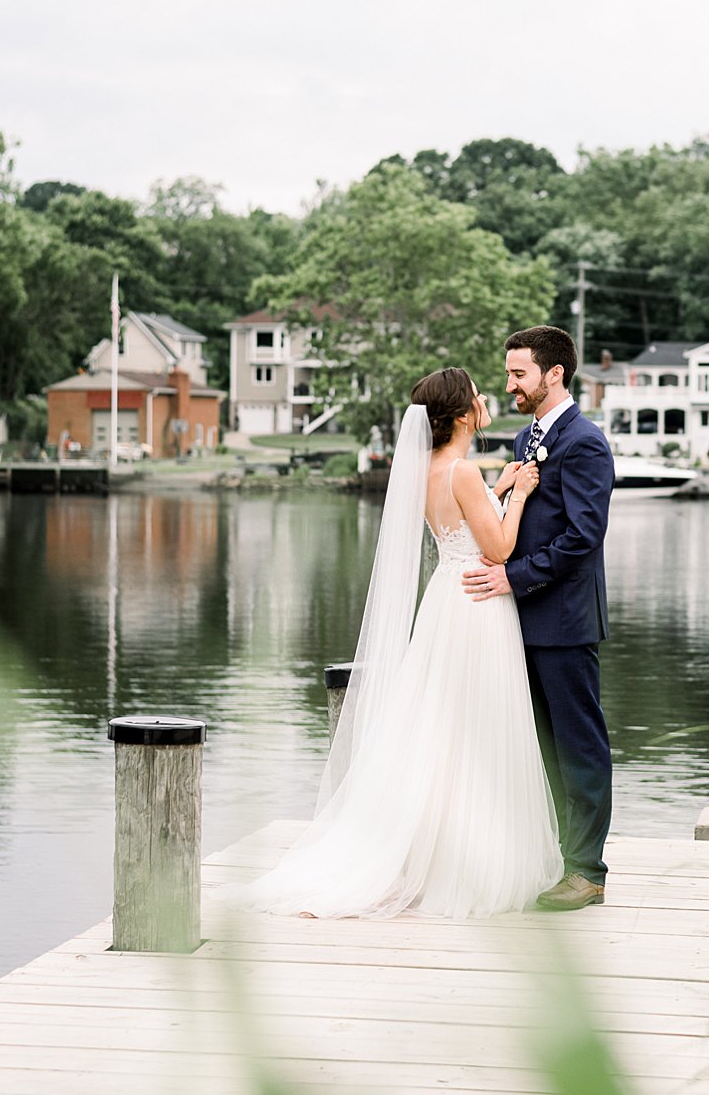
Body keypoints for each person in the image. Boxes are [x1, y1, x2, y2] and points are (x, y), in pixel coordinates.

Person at [238, 368, 559, 919]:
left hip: (443, 603)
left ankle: (426, 852)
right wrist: (523, 494)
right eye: (479, 396)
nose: (486, 399)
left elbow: (459, 524)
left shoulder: (428, 470)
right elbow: (500, 549)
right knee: (474, 732)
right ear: (463, 416)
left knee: (440, 728)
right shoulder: (461, 471)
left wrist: (498, 488)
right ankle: (466, 860)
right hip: (477, 606)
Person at [463, 325, 616, 912]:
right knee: (540, 747)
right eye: (508, 374)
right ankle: (556, 857)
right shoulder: (534, 436)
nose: (510, 385)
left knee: (579, 745)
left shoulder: (584, 442)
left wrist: (513, 576)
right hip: (524, 619)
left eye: (519, 374)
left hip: (566, 620)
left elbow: (584, 536)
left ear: (554, 374)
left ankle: (587, 870)